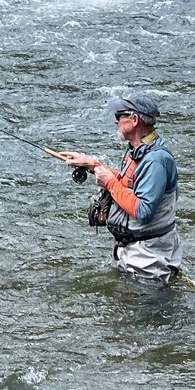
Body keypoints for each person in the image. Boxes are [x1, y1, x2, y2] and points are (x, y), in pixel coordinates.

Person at [50, 89, 181, 286]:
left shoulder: (156, 161)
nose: (115, 121)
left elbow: (142, 210)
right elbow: (129, 184)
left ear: (134, 120)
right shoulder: (139, 151)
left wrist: (109, 183)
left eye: (119, 116)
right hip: (135, 251)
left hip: (149, 257)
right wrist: (93, 165)